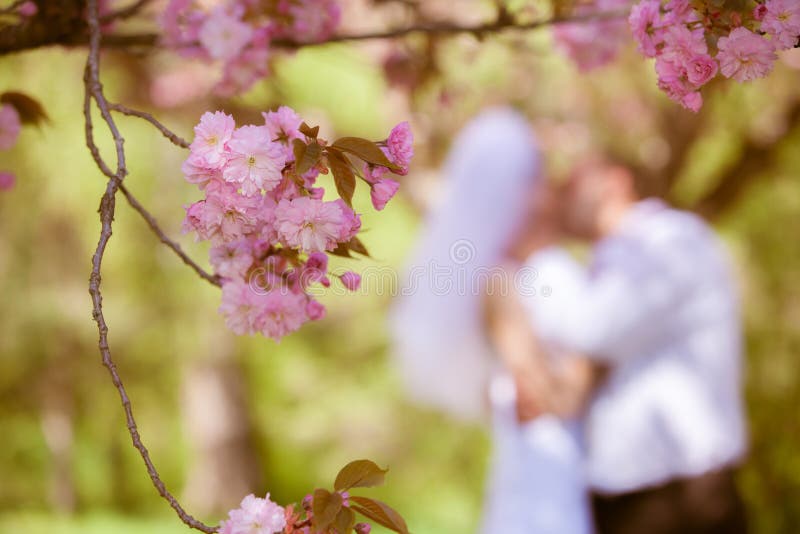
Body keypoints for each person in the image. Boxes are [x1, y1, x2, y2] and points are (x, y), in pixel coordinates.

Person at [510, 157, 749, 534]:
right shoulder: (608, 265)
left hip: (680, 493)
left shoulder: (671, 240)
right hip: (630, 495)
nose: (560, 196)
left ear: (615, 180)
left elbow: (591, 328)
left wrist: (537, 251)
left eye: (572, 183)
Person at [389, 108, 593, 533]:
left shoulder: (525, 272)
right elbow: (537, 386)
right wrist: (592, 365)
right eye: (535, 179)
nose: (546, 192)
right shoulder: (502, 283)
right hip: (544, 471)